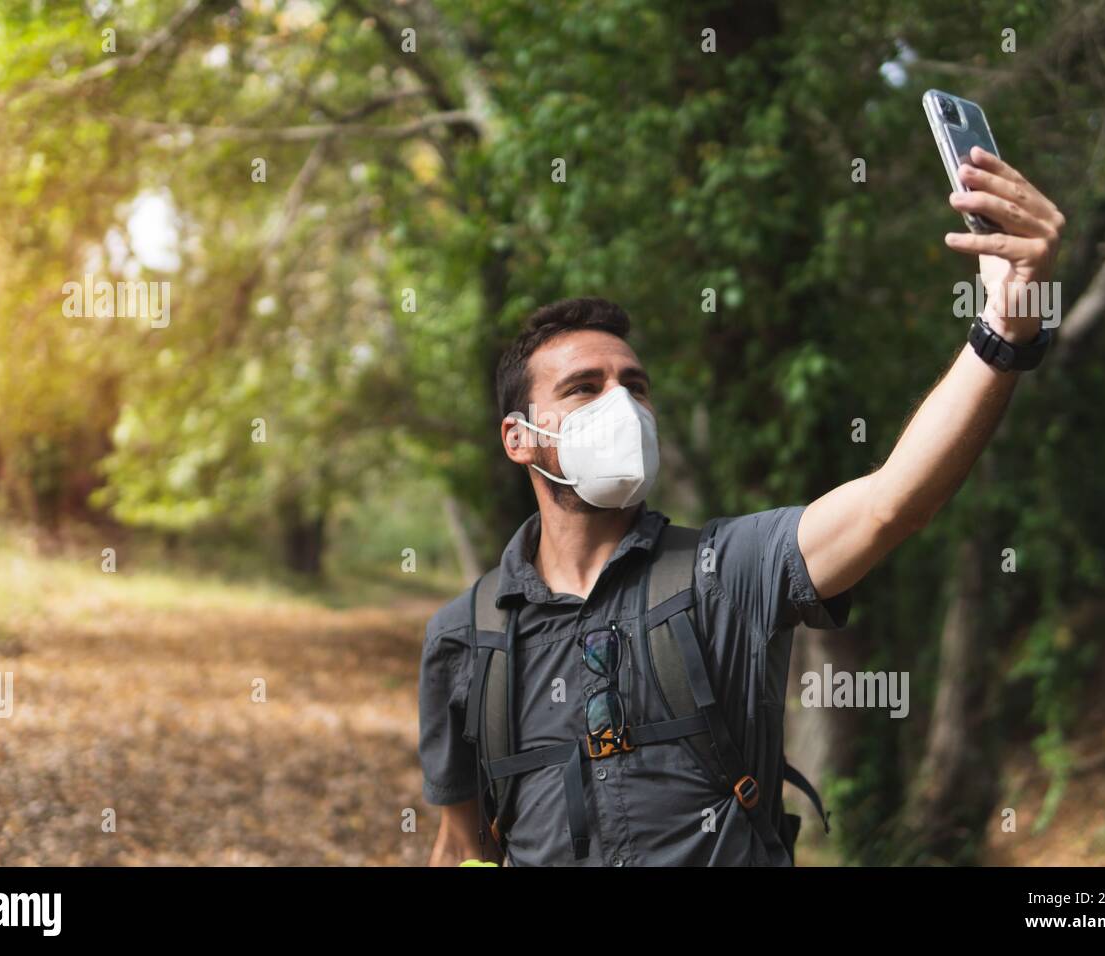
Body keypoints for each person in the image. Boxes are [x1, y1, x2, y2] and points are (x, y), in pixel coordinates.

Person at [419, 147, 1065, 866]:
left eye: (635, 385)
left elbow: (891, 504)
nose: (623, 406)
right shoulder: (463, 637)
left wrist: (1005, 329)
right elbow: (460, 845)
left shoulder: (726, 569)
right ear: (520, 439)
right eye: (585, 388)